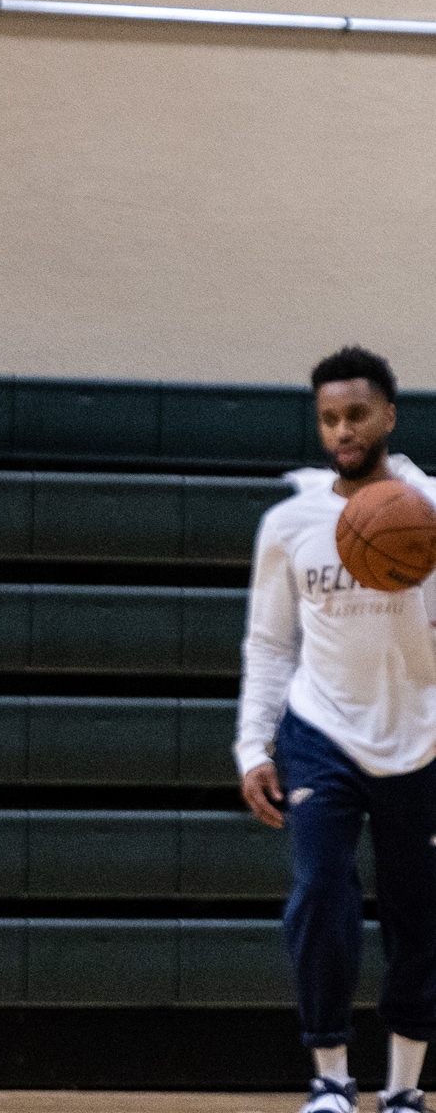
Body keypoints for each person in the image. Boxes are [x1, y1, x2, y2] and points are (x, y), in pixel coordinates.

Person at [238, 345, 436, 1113]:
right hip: (320, 729)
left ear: (388, 414)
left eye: (355, 414)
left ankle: (405, 1087)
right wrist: (254, 746)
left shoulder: (426, 512)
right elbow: (268, 643)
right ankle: (328, 1076)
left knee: (417, 913)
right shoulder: (291, 522)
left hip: (419, 734)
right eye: (328, 418)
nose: (342, 430)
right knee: (319, 893)